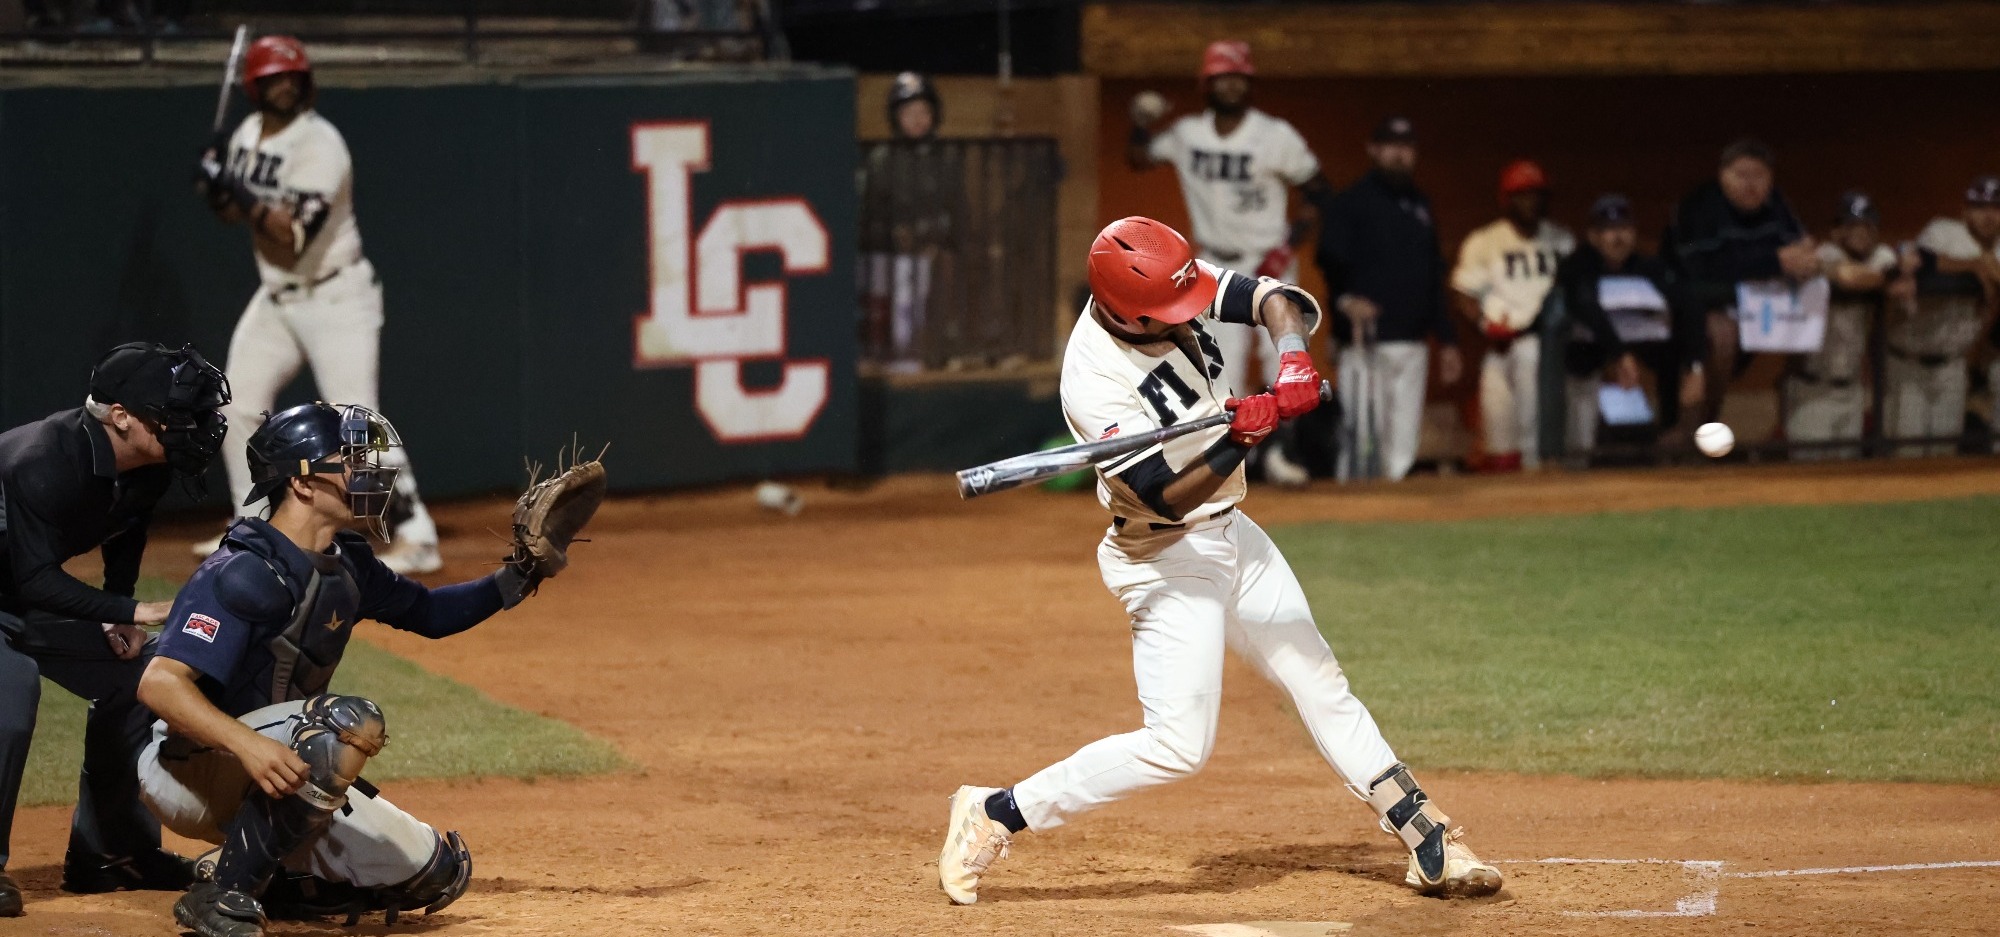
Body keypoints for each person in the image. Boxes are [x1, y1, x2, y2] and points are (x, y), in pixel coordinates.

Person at [935, 217, 1501, 906]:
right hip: (1164, 555)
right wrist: (1239, 439)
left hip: (1233, 528)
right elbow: (1162, 496)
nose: (1187, 314)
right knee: (1178, 746)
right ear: (1125, 311)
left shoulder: (1165, 282)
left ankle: (1425, 831)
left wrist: (1292, 358)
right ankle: (995, 810)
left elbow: (1270, 298)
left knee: (1316, 674)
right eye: (1169, 311)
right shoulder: (1094, 377)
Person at [137, 402, 576, 937]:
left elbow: (430, 613)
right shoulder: (240, 570)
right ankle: (222, 892)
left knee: (434, 873)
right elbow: (160, 684)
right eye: (348, 460)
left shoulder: (348, 562)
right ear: (302, 483)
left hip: (282, 771)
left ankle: (269, 876)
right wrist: (248, 746)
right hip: (192, 770)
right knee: (342, 725)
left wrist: (522, 574)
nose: (366, 471)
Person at [191, 34, 440, 574]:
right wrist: (215, 189)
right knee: (236, 405)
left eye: (293, 77)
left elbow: (291, 233)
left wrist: (234, 184)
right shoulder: (248, 133)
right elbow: (234, 213)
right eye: (274, 78)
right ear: (255, 86)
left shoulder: (321, 144)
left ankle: (416, 534)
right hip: (278, 295)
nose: (285, 86)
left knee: (357, 424)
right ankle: (252, 528)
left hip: (335, 295)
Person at [0, 343, 225, 916]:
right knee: (11, 692)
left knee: (147, 674)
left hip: (18, 596)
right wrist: (133, 609)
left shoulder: (147, 464)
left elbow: (126, 531)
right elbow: (33, 580)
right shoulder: (41, 459)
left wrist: (116, 607)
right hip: (22, 591)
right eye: (174, 415)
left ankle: (112, 853)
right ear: (120, 416)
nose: (192, 427)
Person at [1128, 39, 1333, 485]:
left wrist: (1289, 244)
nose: (1231, 86)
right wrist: (1140, 123)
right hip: (1215, 266)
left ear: (1250, 83)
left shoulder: (1274, 135)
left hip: (1269, 260)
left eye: (1239, 77)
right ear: (1207, 83)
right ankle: (1234, 462)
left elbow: (1319, 190)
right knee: (1221, 369)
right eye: (1222, 77)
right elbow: (1139, 159)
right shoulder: (1187, 134)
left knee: (1285, 363)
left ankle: (1283, 454)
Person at [1317, 116, 1464, 481]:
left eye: (1407, 147)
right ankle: (1354, 510)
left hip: (1412, 341)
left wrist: (1447, 339)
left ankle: (1396, 508)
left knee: (1402, 446)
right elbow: (1330, 261)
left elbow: (1433, 276)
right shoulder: (1351, 201)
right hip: (1366, 343)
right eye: (1391, 146)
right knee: (1363, 442)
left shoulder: (1420, 205)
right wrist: (1345, 302)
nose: (1400, 155)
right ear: (1374, 150)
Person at [1665, 139, 1818, 427]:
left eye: (1759, 175)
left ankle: (1793, 416)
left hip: (1758, 308)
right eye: (1742, 175)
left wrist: (1805, 258)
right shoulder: (1698, 205)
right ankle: (1695, 429)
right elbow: (1701, 268)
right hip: (1690, 308)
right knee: (1720, 335)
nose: (1751, 184)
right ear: (1722, 174)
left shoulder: (1776, 203)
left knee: (1814, 313)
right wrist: (1774, 262)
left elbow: (1798, 246)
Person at [1555, 194, 1705, 456]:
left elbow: (1688, 303)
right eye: (1609, 230)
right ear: (1593, 236)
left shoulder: (1649, 266)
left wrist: (1695, 366)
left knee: (1673, 354)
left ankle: (1672, 434)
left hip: (1642, 349)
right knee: (1580, 375)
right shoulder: (1576, 266)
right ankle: (1579, 452)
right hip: (1587, 352)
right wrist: (1620, 354)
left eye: (1624, 228)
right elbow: (1586, 307)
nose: (1618, 237)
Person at [1451, 160, 1574, 471]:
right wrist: (1483, 323)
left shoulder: (1562, 240)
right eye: (1522, 195)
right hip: (1498, 346)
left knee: (1533, 439)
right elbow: (1463, 292)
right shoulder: (1485, 241)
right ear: (1506, 199)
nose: (1531, 202)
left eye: (1536, 195)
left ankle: (1539, 488)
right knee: (1499, 439)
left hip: (1540, 346)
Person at [858, 71, 960, 372]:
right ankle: (899, 357)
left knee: (938, 273)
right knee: (900, 283)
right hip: (891, 256)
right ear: (896, 117)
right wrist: (896, 236)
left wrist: (936, 241)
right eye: (909, 113)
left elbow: (957, 211)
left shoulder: (945, 158)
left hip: (933, 251)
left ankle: (936, 353)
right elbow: (871, 216)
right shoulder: (882, 159)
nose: (917, 120)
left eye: (923, 112)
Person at [1891, 175, 2000, 455]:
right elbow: (1918, 262)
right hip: (1909, 362)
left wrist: (1989, 269)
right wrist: (1974, 265)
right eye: (1980, 207)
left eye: (1996, 207)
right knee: (1906, 456)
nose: (1989, 215)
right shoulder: (1943, 231)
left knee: (1944, 455)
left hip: (1953, 366)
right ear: (1966, 211)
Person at [1789, 192, 1900, 460]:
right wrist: (1886, 278)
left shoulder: (1879, 256)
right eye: (1852, 225)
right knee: (1808, 475)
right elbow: (1848, 276)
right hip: (1813, 388)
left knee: (1849, 473)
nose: (1860, 232)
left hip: (1852, 390)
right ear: (1836, 231)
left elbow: (1901, 278)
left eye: (1866, 225)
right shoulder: (1825, 254)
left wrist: (1892, 273)